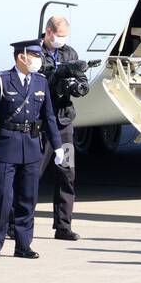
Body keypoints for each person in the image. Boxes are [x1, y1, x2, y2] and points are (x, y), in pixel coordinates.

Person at [0, 40, 66, 260]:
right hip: (7, 144)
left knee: (28, 199)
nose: (38, 60)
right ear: (21, 57)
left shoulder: (40, 82)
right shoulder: (0, 80)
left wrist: (57, 145)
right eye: (34, 56)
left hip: (31, 145)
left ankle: (23, 245)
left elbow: (48, 117)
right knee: (2, 198)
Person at [37, 15, 88, 241]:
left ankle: (63, 226)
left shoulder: (70, 53)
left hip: (64, 122)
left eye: (65, 37)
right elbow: (32, 81)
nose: (62, 41)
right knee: (32, 174)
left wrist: (77, 87)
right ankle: (15, 222)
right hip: (41, 123)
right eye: (59, 36)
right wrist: (55, 77)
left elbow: (82, 81)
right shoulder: (33, 52)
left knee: (66, 174)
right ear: (48, 32)